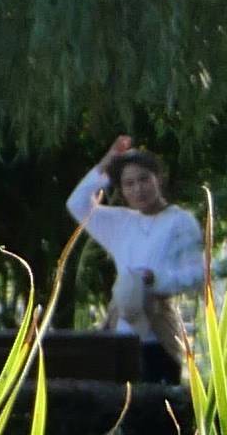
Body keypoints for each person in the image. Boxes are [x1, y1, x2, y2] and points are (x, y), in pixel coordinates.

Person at [68, 131, 213, 337]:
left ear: (158, 178)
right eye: (129, 184)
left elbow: (199, 275)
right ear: (122, 190)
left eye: (144, 179)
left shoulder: (180, 221)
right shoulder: (121, 223)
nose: (138, 189)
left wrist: (155, 279)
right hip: (123, 329)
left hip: (162, 328)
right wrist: (107, 162)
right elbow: (77, 204)